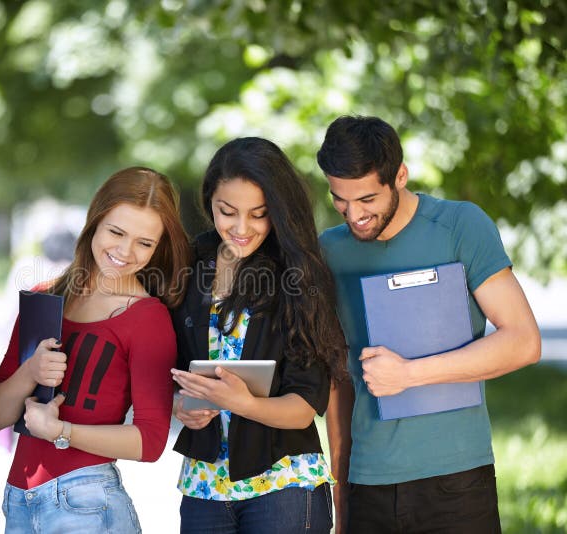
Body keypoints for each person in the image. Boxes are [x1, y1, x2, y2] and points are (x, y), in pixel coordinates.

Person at [317, 115, 542, 533]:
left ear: (400, 176)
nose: (354, 215)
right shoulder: (330, 251)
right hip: (369, 481)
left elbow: (523, 341)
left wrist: (408, 374)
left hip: (456, 478)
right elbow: (338, 378)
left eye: (366, 199)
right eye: (340, 200)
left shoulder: (460, 227)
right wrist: (340, 486)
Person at [0, 167, 191, 534]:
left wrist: (61, 431)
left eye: (145, 242)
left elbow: (151, 441)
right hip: (18, 501)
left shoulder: (147, 317)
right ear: (94, 222)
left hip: (88, 504)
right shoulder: (45, 298)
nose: (125, 252)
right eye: (116, 232)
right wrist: (30, 373)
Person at [170, 137, 349, 533]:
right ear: (209, 202)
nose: (241, 228)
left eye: (259, 214)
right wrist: (182, 405)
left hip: (284, 484)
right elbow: (172, 365)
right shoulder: (188, 263)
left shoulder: (299, 276)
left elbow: (305, 404)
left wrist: (242, 402)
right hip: (204, 488)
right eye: (227, 212)